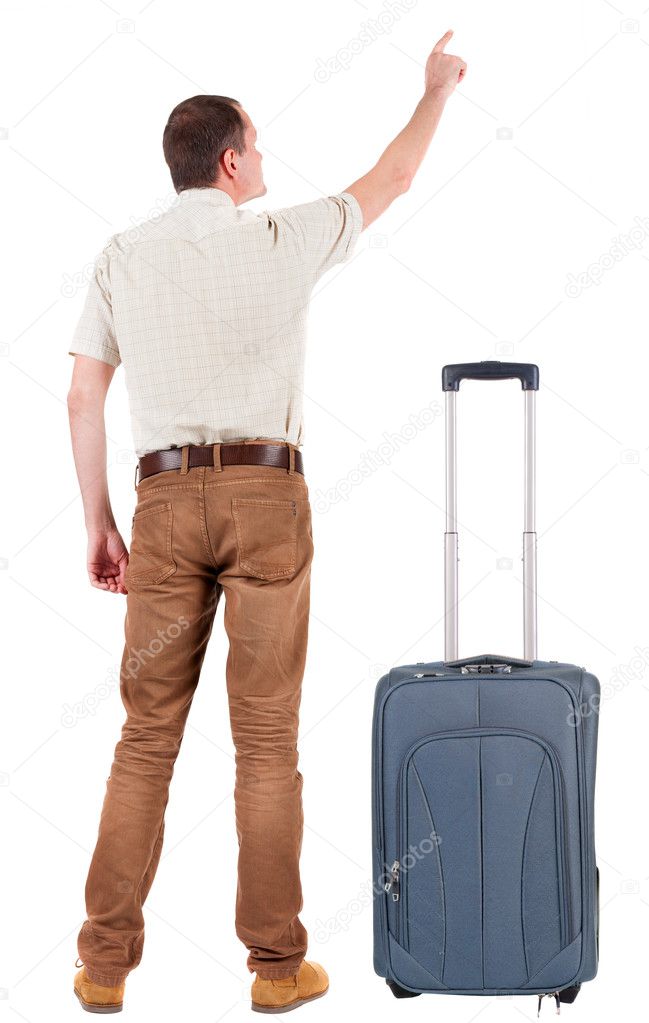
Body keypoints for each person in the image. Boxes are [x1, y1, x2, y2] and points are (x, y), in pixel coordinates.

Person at [68, 29, 466, 1014]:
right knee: (265, 740)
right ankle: (278, 967)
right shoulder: (285, 237)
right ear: (233, 160)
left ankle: (103, 968)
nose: (265, 162)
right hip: (265, 501)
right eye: (259, 146)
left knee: (144, 736)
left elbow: (82, 397)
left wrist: (100, 526)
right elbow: (396, 174)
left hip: (159, 508)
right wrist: (435, 88)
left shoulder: (121, 255)